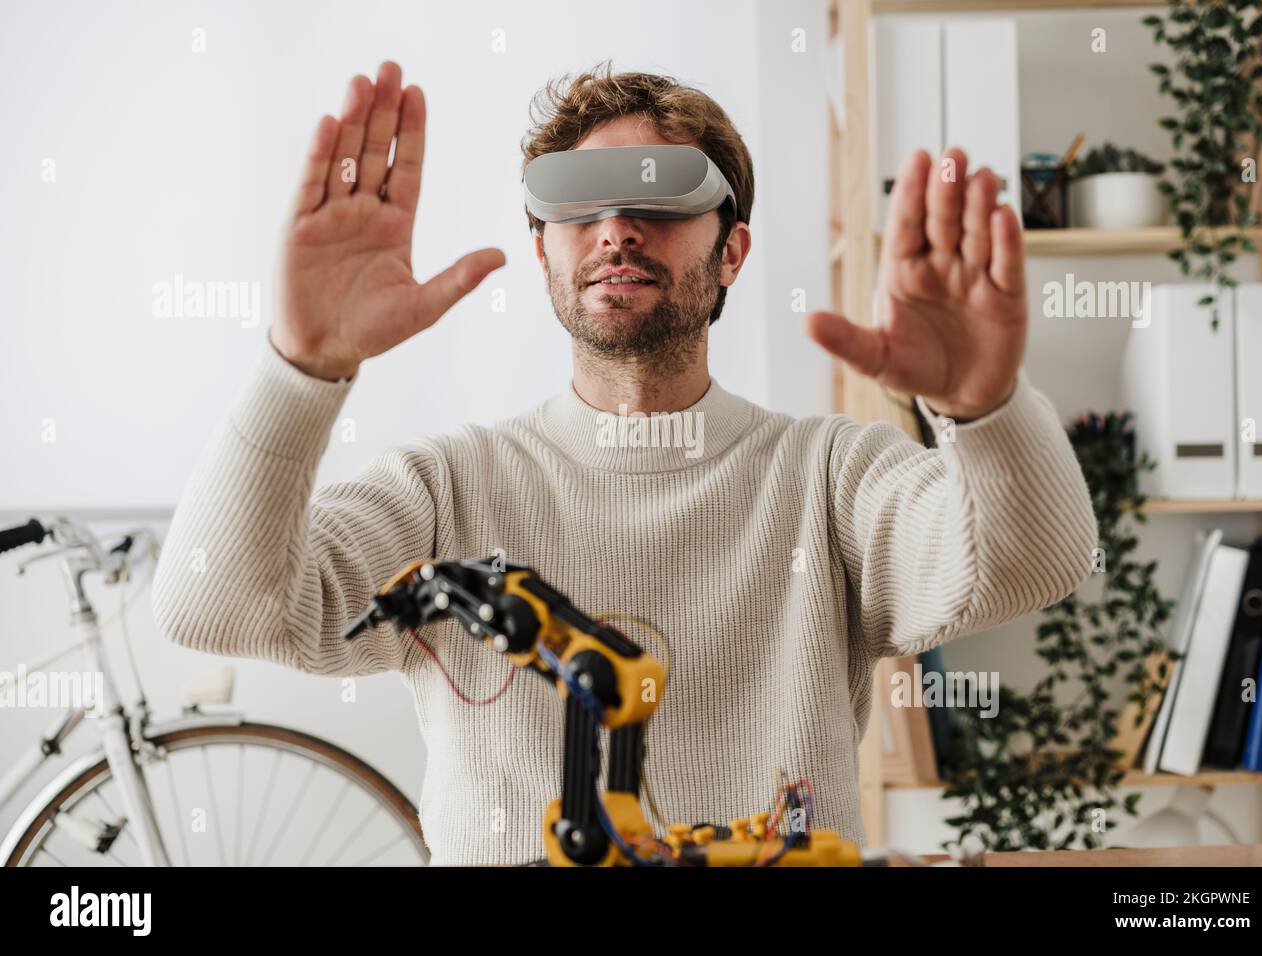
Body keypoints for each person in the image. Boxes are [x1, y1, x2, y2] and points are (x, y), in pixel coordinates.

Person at [151, 60, 1098, 865]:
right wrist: (301, 368)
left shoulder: (830, 477)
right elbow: (215, 603)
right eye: (580, 208)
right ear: (543, 251)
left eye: (658, 198)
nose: (616, 230)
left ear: (732, 252)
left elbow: (1035, 561)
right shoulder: (445, 490)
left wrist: (983, 407)